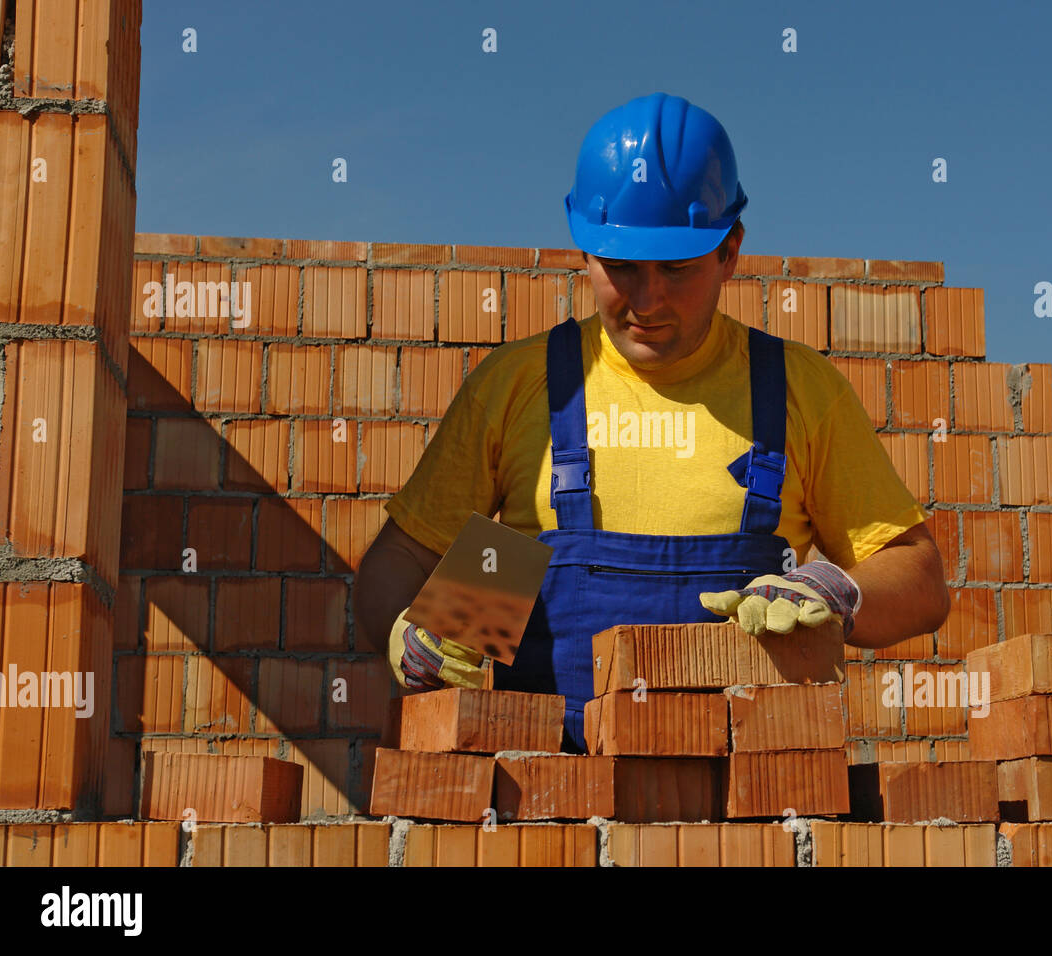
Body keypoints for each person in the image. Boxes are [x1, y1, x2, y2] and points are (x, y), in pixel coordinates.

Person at [353, 91, 950, 752]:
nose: (647, 300)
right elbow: (399, 564)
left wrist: (835, 589)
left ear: (730, 251)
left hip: (746, 809)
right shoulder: (521, 384)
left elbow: (920, 580)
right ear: (585, 249)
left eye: (676, 268)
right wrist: (414, 637)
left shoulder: (799, 391)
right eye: (621, 268)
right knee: (497, 562)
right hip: (553, 806)